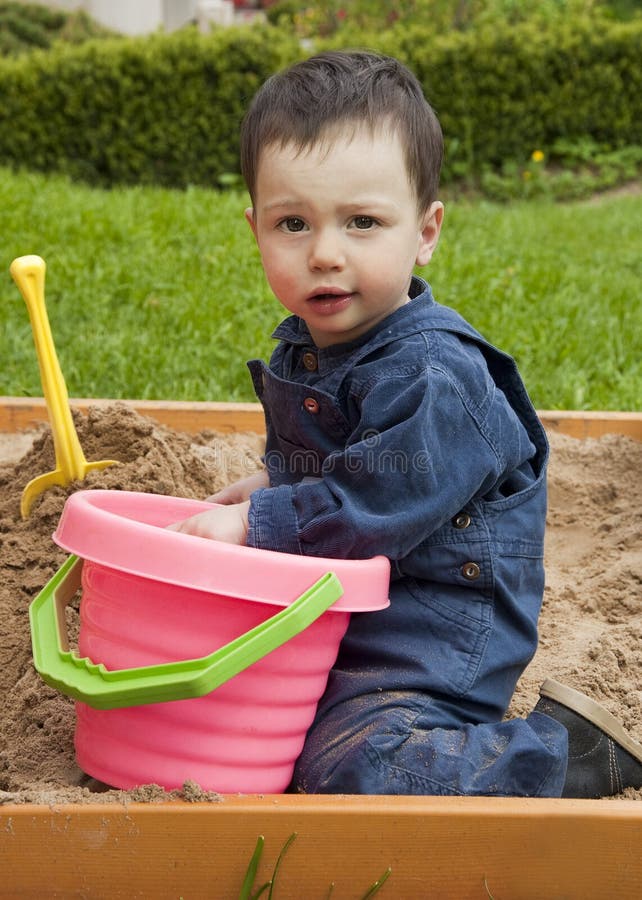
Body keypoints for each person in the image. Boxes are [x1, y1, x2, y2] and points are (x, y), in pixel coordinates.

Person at [170, 50, 642, 798]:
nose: (325, 252)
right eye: (294, 222)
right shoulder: (313, 344)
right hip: (351, 609)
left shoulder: (433, 374)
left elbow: (377, 501)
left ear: (425, 232)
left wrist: (263, 523)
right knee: (236, 716)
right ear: (255, 226)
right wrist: (278, 479)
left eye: (363, 221)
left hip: (428, 635)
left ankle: (568, 756)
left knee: (350, 765)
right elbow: (355, 462)